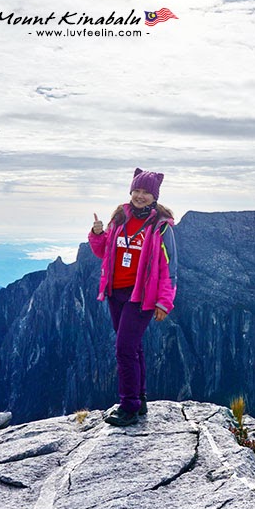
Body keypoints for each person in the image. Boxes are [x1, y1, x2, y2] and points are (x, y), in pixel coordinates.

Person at [88, 168, 178, 427]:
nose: (140, 196)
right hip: (115, 292)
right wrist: (97, 234)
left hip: (141, 296)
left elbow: (170, 268)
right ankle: (139, 399)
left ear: (154, 196)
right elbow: (104, 252)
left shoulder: (161, 228)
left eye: (146, 192)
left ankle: (128, 406)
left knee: (124, 349)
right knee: (133, 347)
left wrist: (164, 302)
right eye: (136, 190)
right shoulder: (119, 219)